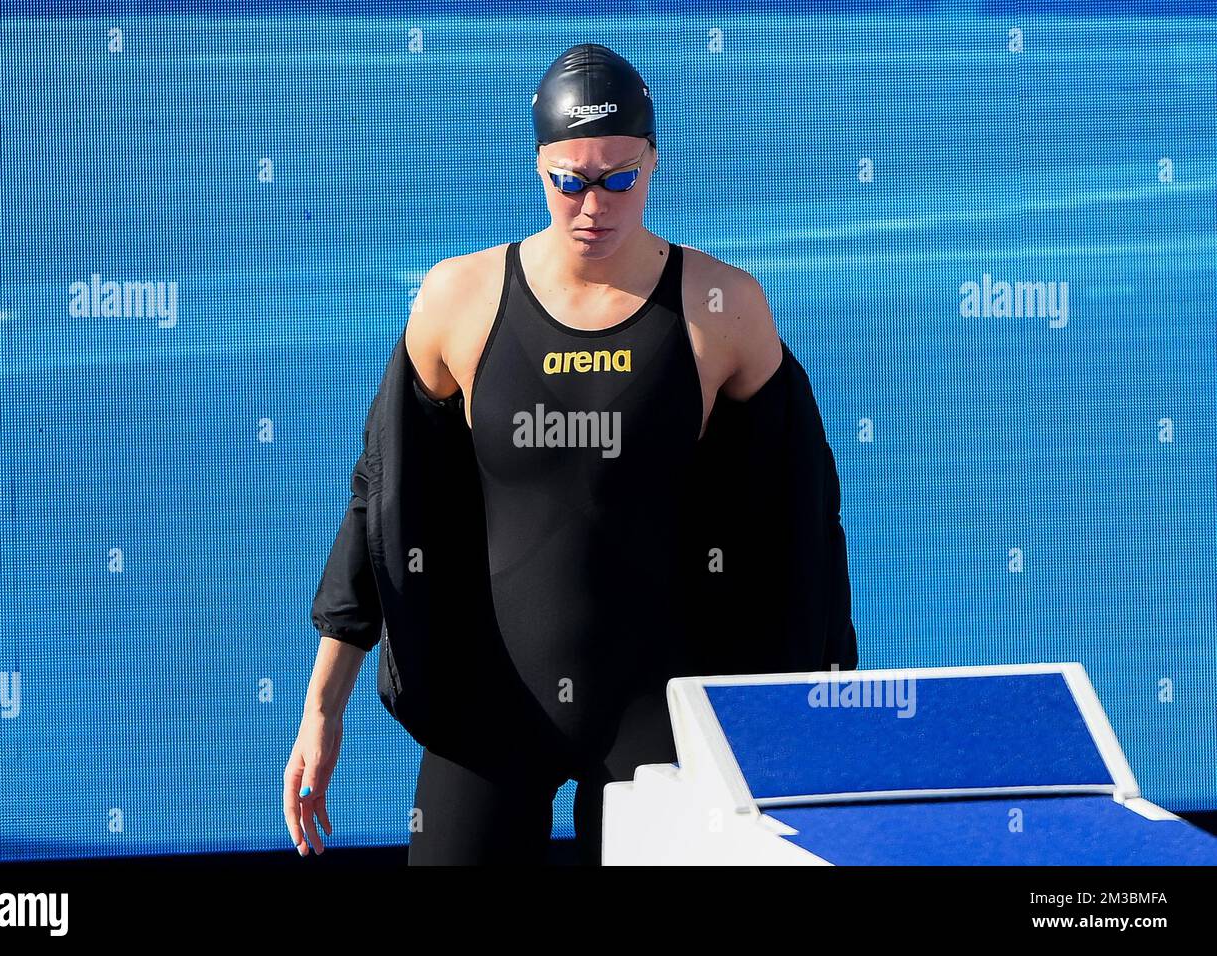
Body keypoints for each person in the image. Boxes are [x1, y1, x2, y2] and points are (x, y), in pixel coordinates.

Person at [285, 43, 844, 865]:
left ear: (653, 163)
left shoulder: (721, 309)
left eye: (620, 178)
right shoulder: (458, 300)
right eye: (569, 180)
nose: (594, 203)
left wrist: (812, 713)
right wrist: (322, 708)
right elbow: (381, 505)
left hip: (661, 711)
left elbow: (801, 524)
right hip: (491, 709)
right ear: (538, 165)